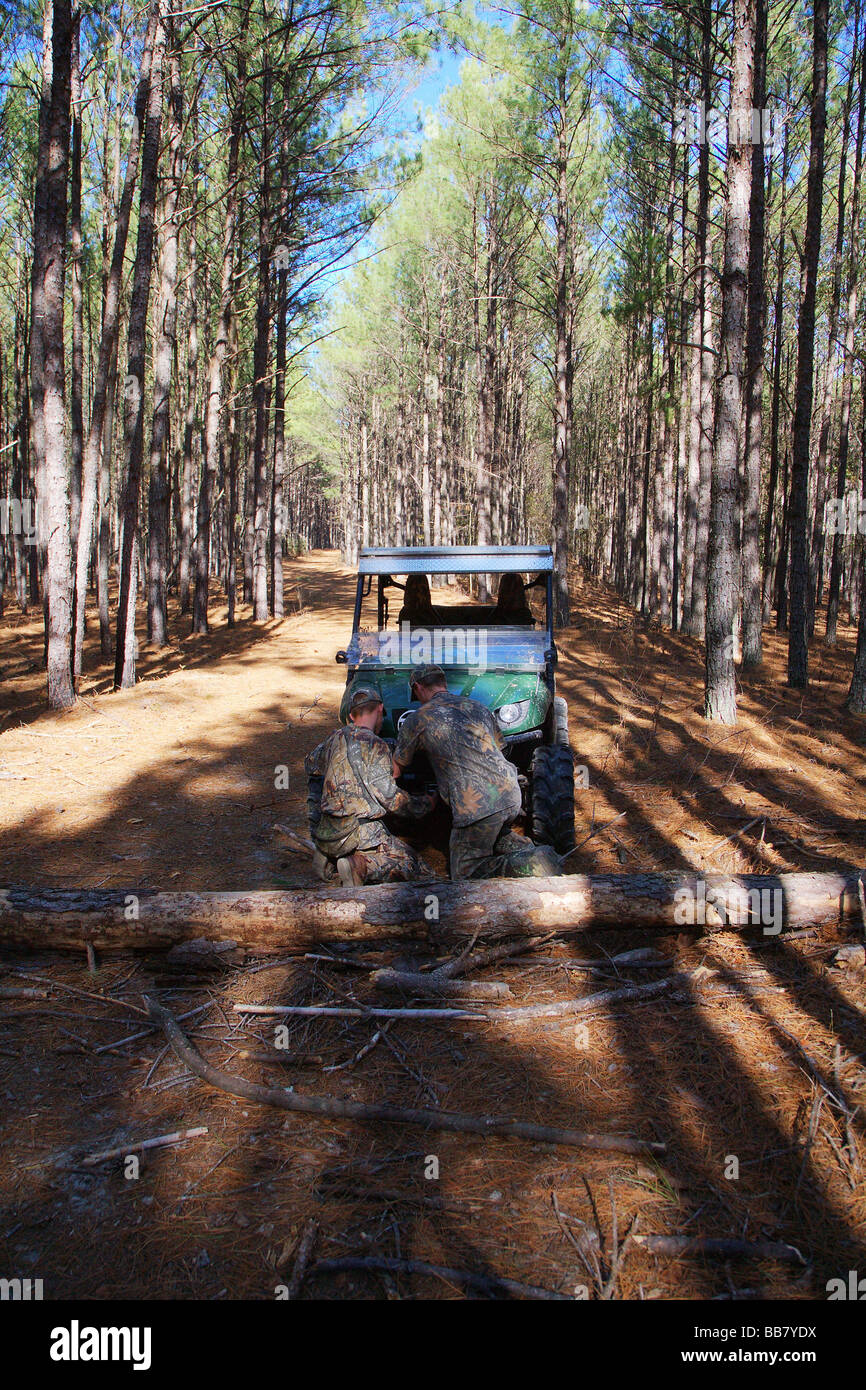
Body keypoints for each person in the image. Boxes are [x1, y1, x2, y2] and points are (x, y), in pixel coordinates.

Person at [392, 663, 561, 881]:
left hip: (476, 805)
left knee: (465, 874)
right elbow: (501, 748)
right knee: (494, 834)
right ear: (443, 683)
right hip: (509, 793)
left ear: (417, 687)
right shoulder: (478, 707)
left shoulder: (418, 718)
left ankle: (534, 864)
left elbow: (396, 771)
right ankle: (528, 850)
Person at [305, 683, 435, 887]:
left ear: (350, 716)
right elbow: (391, 799)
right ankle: (361, 865)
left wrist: (316, 825)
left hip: (330, 829)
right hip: (362, 833)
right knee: (418, 868)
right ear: (380, 709)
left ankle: (328, 853)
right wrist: (425, 804)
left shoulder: (333, 739)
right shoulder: (377, 745)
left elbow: (312, 768)